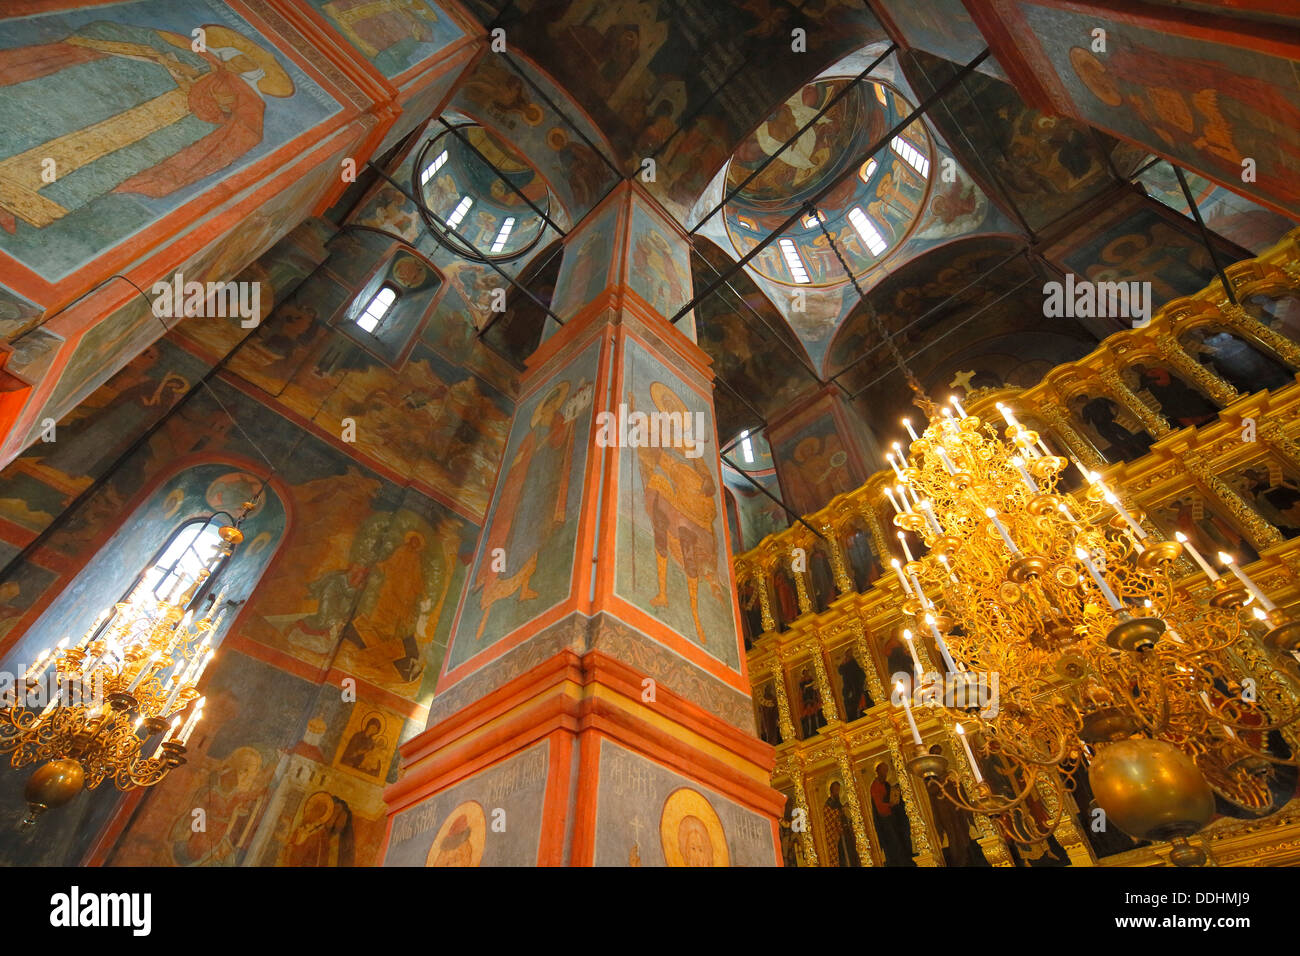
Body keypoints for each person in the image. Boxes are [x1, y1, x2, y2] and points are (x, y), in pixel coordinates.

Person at [869, 761, 915, 866]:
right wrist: (890, 804)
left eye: (886, 771)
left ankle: (906, 860)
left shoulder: (887, 785)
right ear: (877, 772)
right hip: (885, 821)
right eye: (883, 771)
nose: (885, 773)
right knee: (894, 843)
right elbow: (879, 806)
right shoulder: (875, 786)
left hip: (893, 818)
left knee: (902, 836)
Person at [823, 781, 859, 867]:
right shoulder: (828, 803)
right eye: (836, 790)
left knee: (850, 852)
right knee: (841, 856)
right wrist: (841, 812)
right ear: (831, 790)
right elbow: (829, 816)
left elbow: (842, 814)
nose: (837, 792)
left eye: (838, 790)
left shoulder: (838, 802)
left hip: (844, 833)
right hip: (836, 835)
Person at [838, 651, 869, 722]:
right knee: (852, 703)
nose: (846, 659)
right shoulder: (846, 668)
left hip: (856, 688)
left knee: (859, 701)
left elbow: (861, 676)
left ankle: (860, 712)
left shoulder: (854, 666)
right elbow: (840, 670)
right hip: (850, 690)